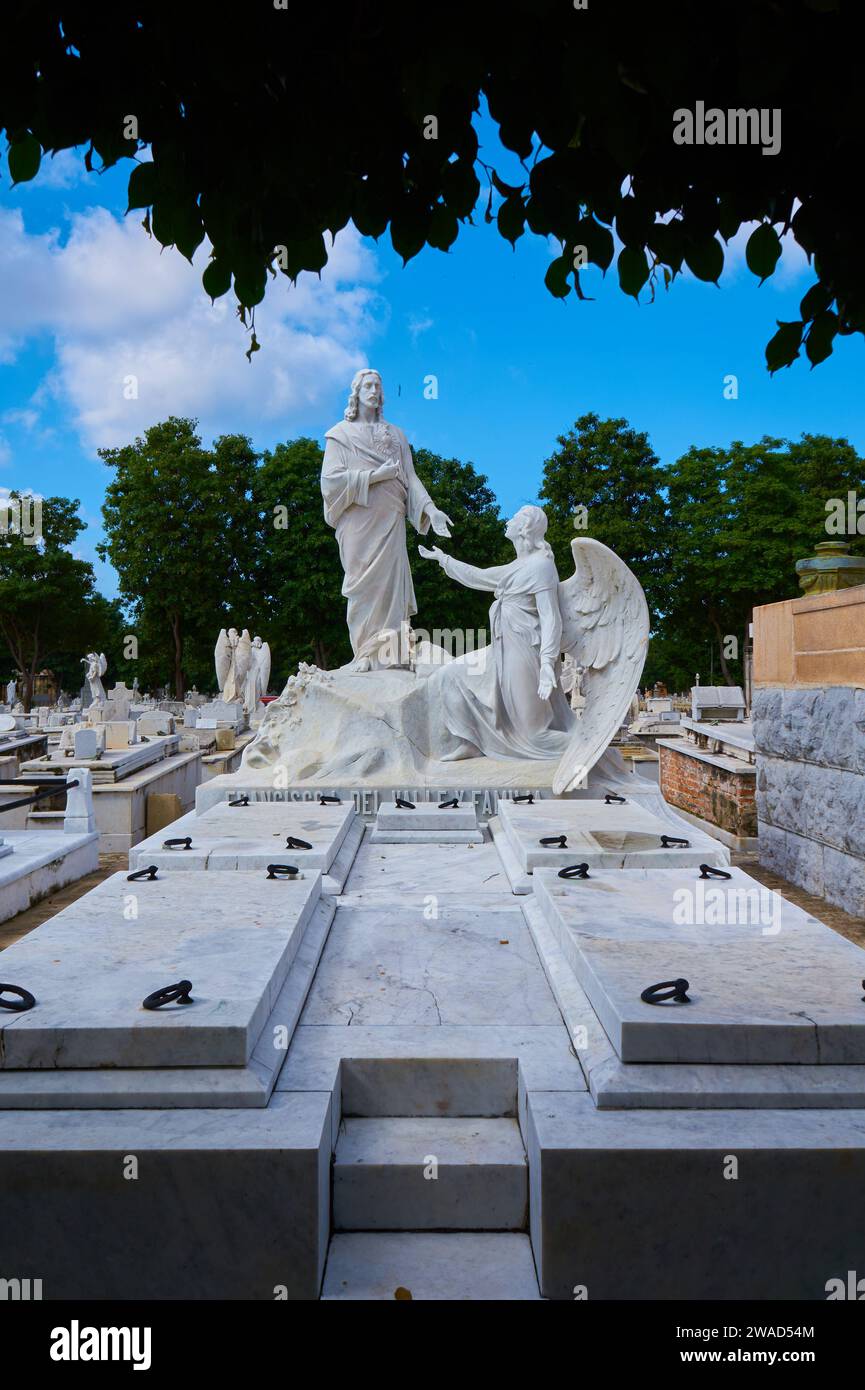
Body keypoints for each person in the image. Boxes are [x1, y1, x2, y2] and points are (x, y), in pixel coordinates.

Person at [321, 369, 453, 669]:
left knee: (390, 585)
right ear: (356, 393)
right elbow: (330, 482)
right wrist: (375, 476)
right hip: (357, 520)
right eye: (367, 385)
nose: (373, 390)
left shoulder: (397, 435)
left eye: (378, 385)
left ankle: (389, 656)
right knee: (362, 586)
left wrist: (431, 509)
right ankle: (365, 654)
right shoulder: (340, 434)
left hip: (390, 518)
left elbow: (410, 477)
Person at [420, 505, 573, 759]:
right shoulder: (516, 566)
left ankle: (585, 744)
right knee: (450, 676)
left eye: (514, 518)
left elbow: (551, 618)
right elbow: (478, 576)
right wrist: (443, 559)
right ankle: (471, 741)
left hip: (525, 654)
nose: (508, 521)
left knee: (533, 736)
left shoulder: (541, 567)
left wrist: (547, 663)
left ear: (524, 528)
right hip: (501, 651)